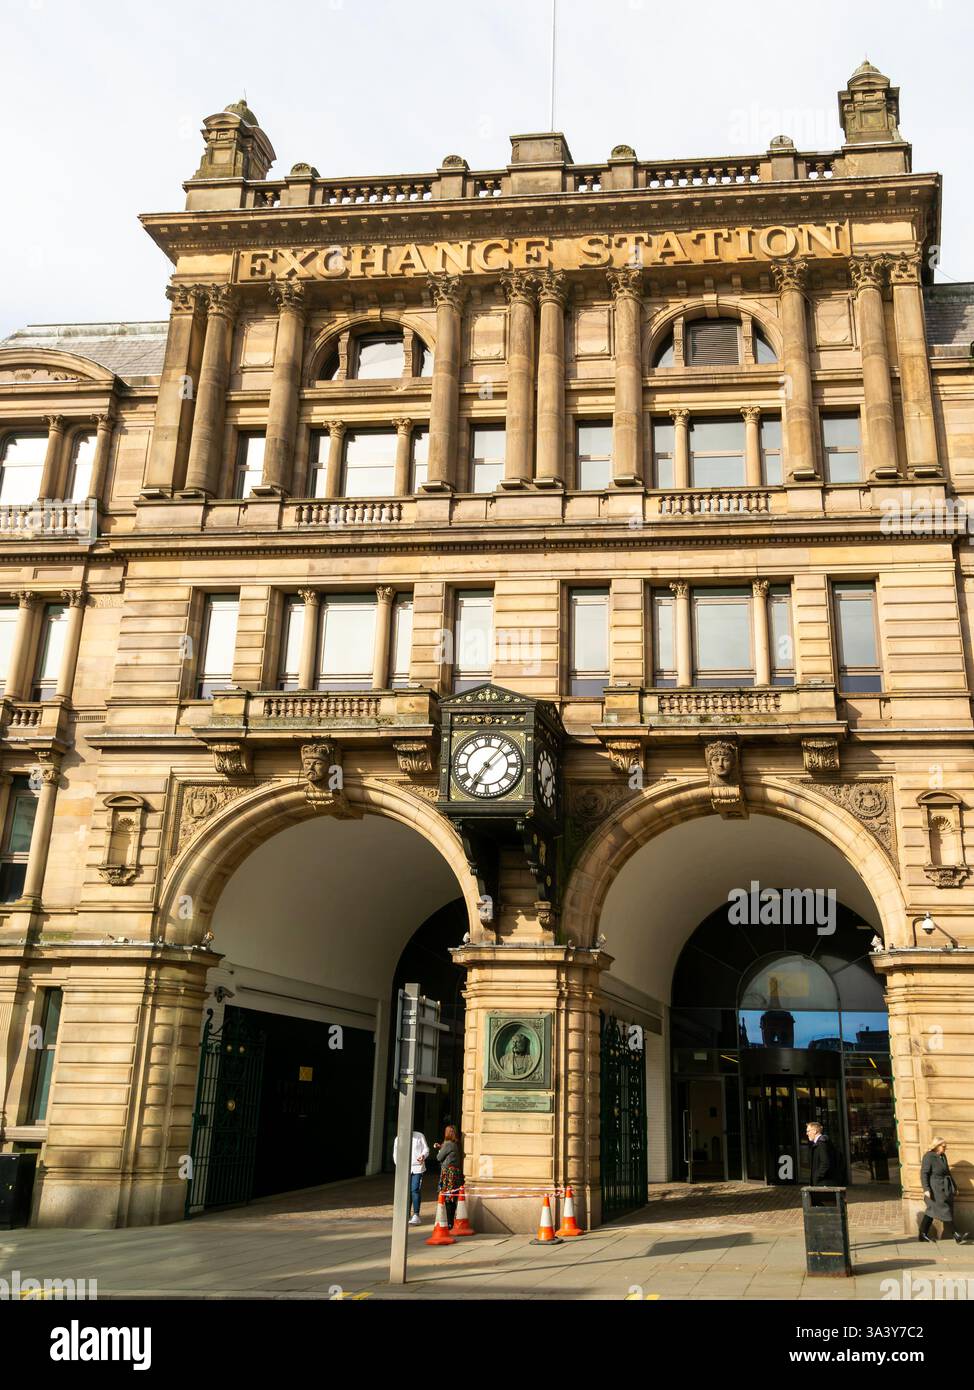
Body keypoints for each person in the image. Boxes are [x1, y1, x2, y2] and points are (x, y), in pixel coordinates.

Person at [920, 1138, 971, 1243]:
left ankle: (922, 1234)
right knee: (945, 1210)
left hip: (944, 1187)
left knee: (931, 1211)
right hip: (934, 1188)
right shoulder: (928, 1156)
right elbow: (924, 1173)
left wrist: (955, 1187)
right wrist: (926, 1189)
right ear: (937, 1146)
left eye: (945, 1146)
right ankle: (956, 1235)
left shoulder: (943, 1156)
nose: (945, 1148)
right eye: (944, 1146)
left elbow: (947, 1172)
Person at [393, 1129, 429, 1226]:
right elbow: (396, 1154)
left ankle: (416, 1215)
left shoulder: (419, 1135)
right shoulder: (398, 1138)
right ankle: (406, 1214)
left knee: (415, 1189)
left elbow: (426, 1149)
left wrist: (423, 1156)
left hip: (417, 1167)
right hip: (404, 1168)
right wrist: (399, 1166)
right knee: (406, 1191)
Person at [433, 1124, 464, 1229]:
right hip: (455, 1173)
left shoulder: (447, 1144)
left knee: (447, 1198)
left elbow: (438, 1157)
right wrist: (441, 1147)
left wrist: (440, 1149)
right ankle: (451, 1221)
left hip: (448, 1173)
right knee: (452, 1197)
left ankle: (449, 1222)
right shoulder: (455, 1144)